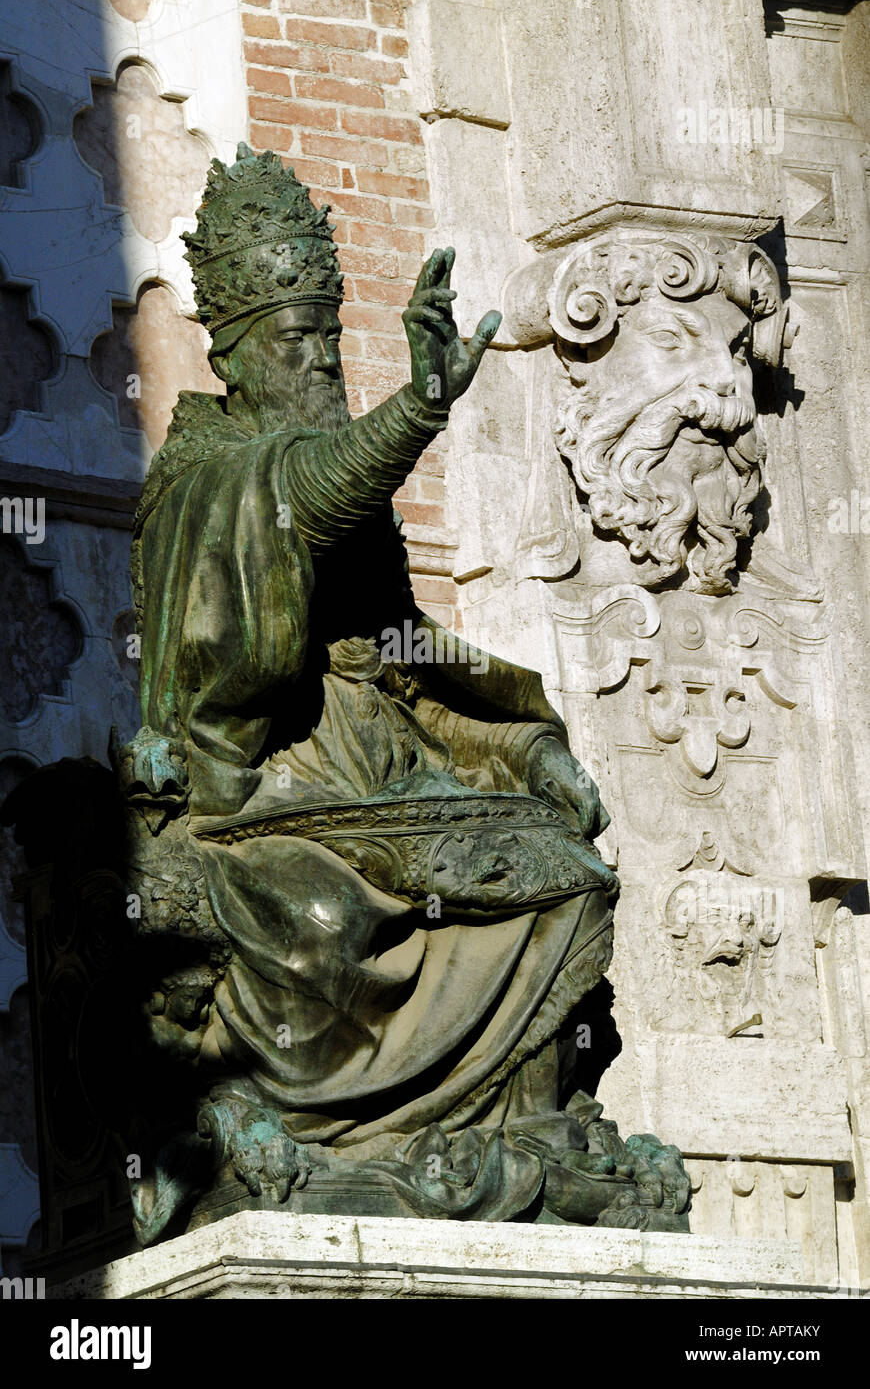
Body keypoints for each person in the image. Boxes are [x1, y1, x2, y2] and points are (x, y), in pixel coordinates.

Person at [126, 145, 687, 1241]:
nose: (319, 362)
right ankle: (302, 1137)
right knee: (333, 919)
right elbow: (302, 497)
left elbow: (408, 652)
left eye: (327, 339)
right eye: (295, 343)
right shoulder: (206, 474)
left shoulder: (327, 460)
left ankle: (518, 1135)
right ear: (236, 355)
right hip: (264, 795)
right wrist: (420, 406)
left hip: (393, 773)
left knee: (561, 874)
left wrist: (528, 753)